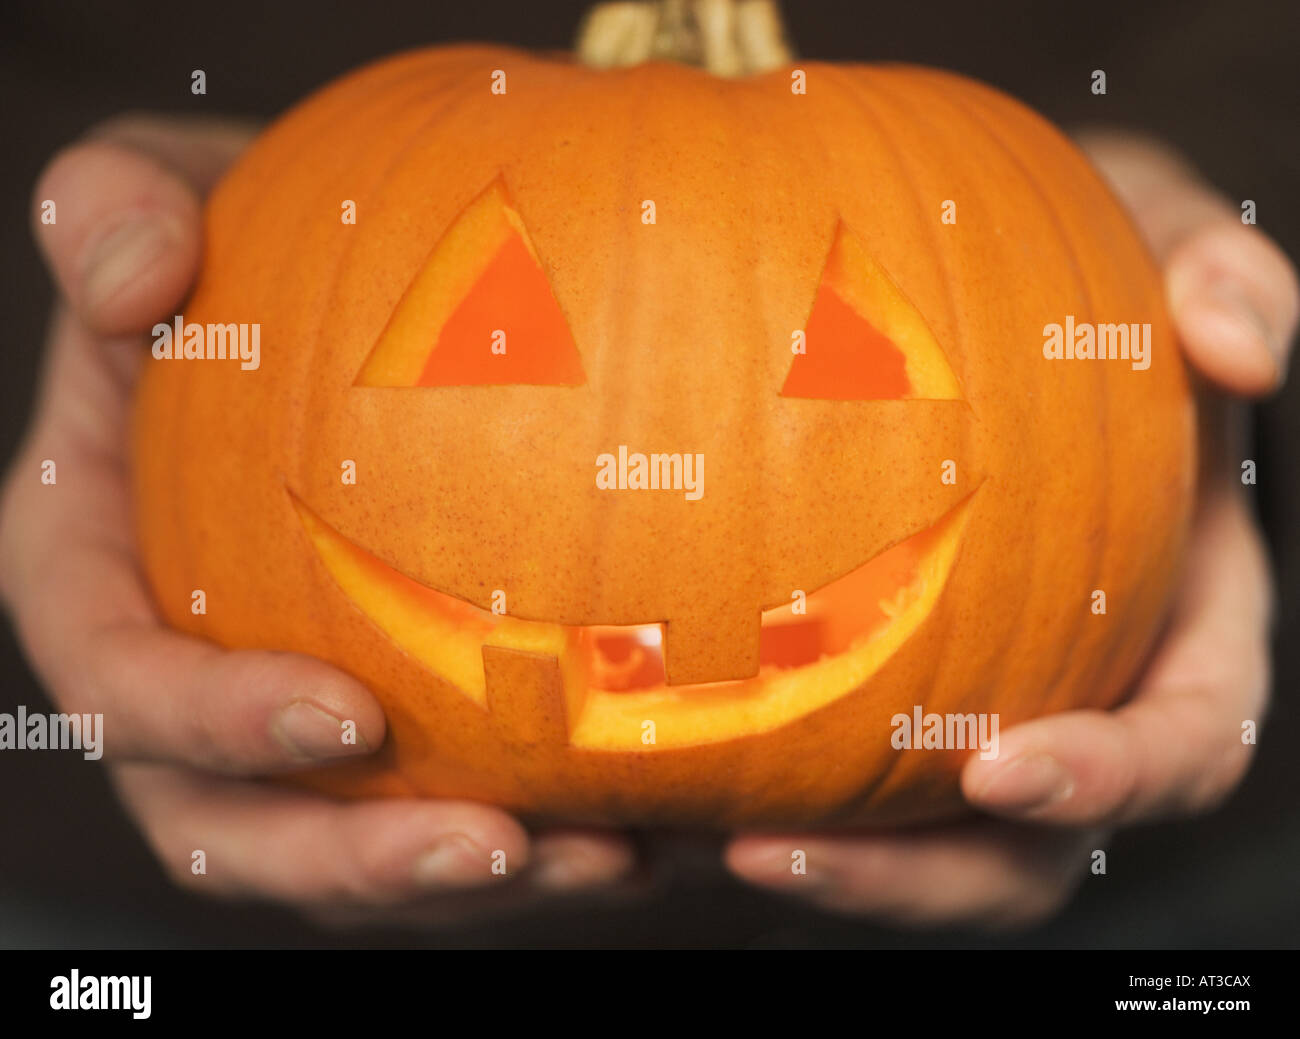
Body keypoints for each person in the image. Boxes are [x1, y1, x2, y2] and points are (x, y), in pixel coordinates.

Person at [2, 115, 1295, 929]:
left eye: (842, 353)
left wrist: (1166, 326)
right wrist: (92, 367)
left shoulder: (983, 172)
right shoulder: (360, 161)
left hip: (1171, 899)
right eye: (490, 341)